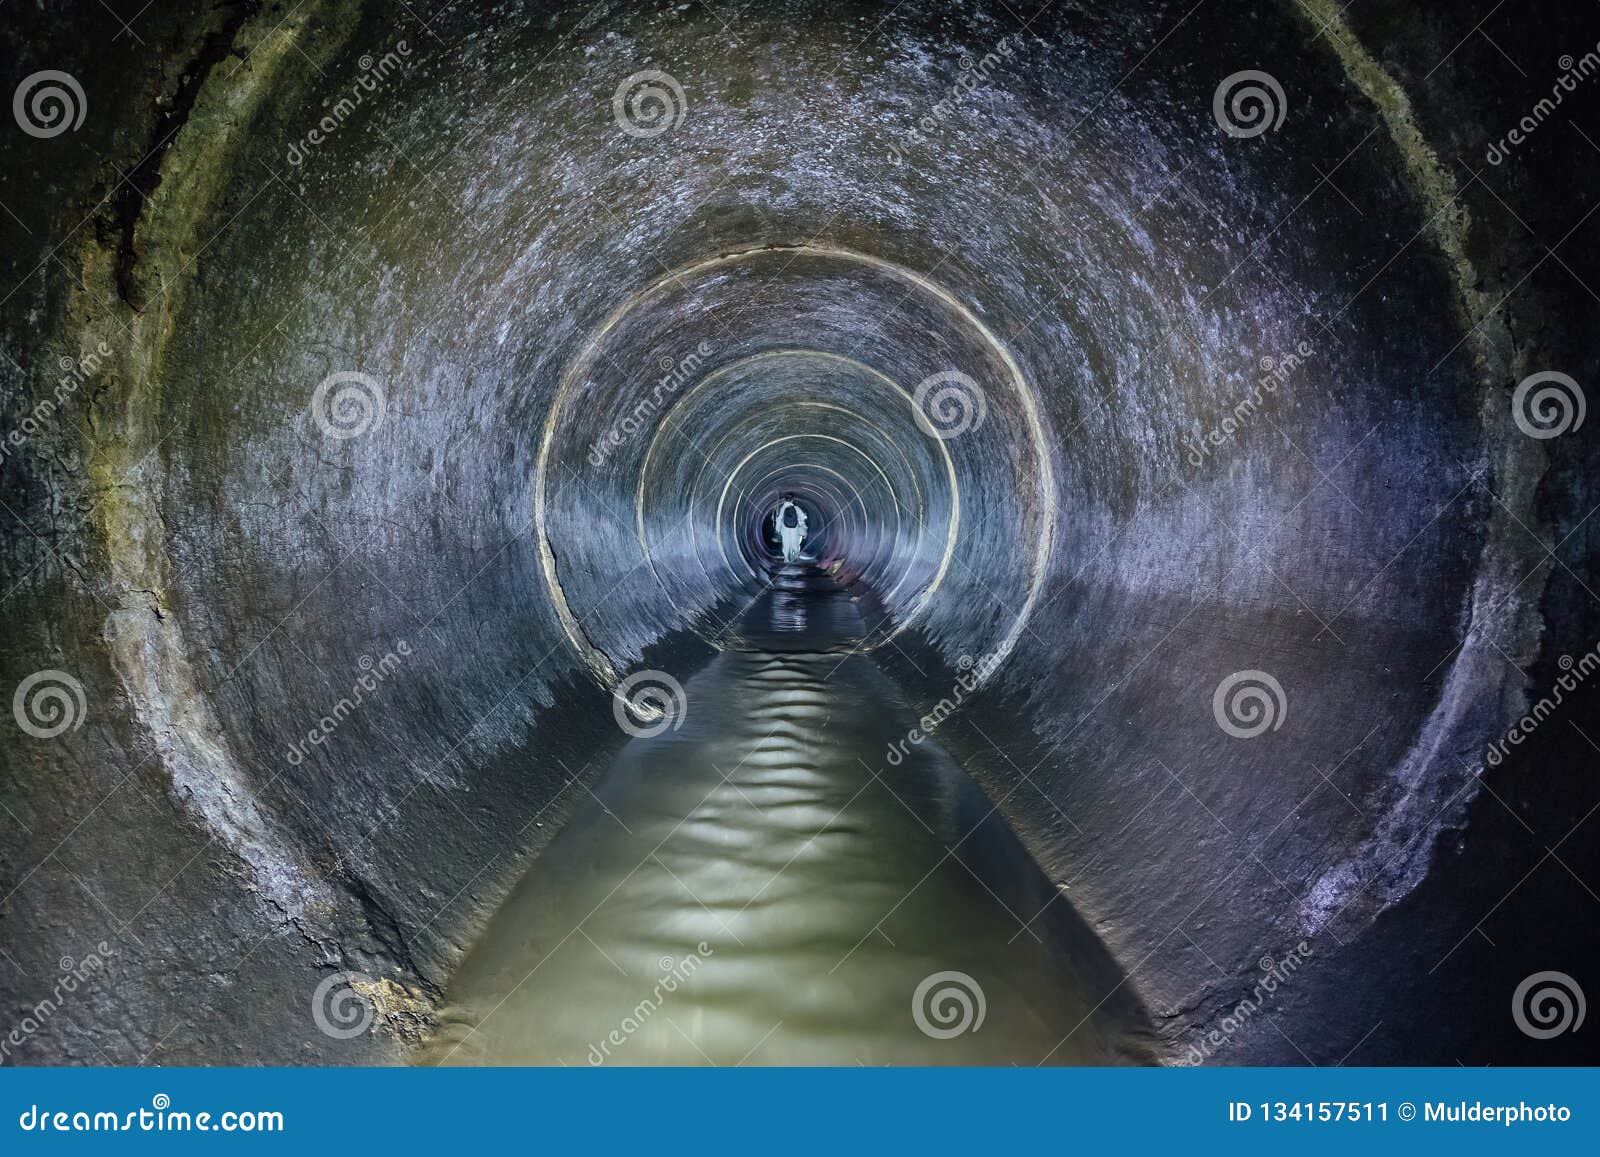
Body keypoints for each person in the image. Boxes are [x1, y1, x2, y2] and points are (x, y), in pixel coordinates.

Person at [774, 495, 808, 562]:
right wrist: (804, 526)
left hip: (784, 529)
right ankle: (794, 556)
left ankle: (786, 558)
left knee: (786, 543)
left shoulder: (782, 508)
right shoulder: (796, 508)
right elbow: (802, 517)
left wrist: (777, 529)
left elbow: (779, 519)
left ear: (785, 500)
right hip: (794, 529)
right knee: (795, 543)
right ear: (792, 500)